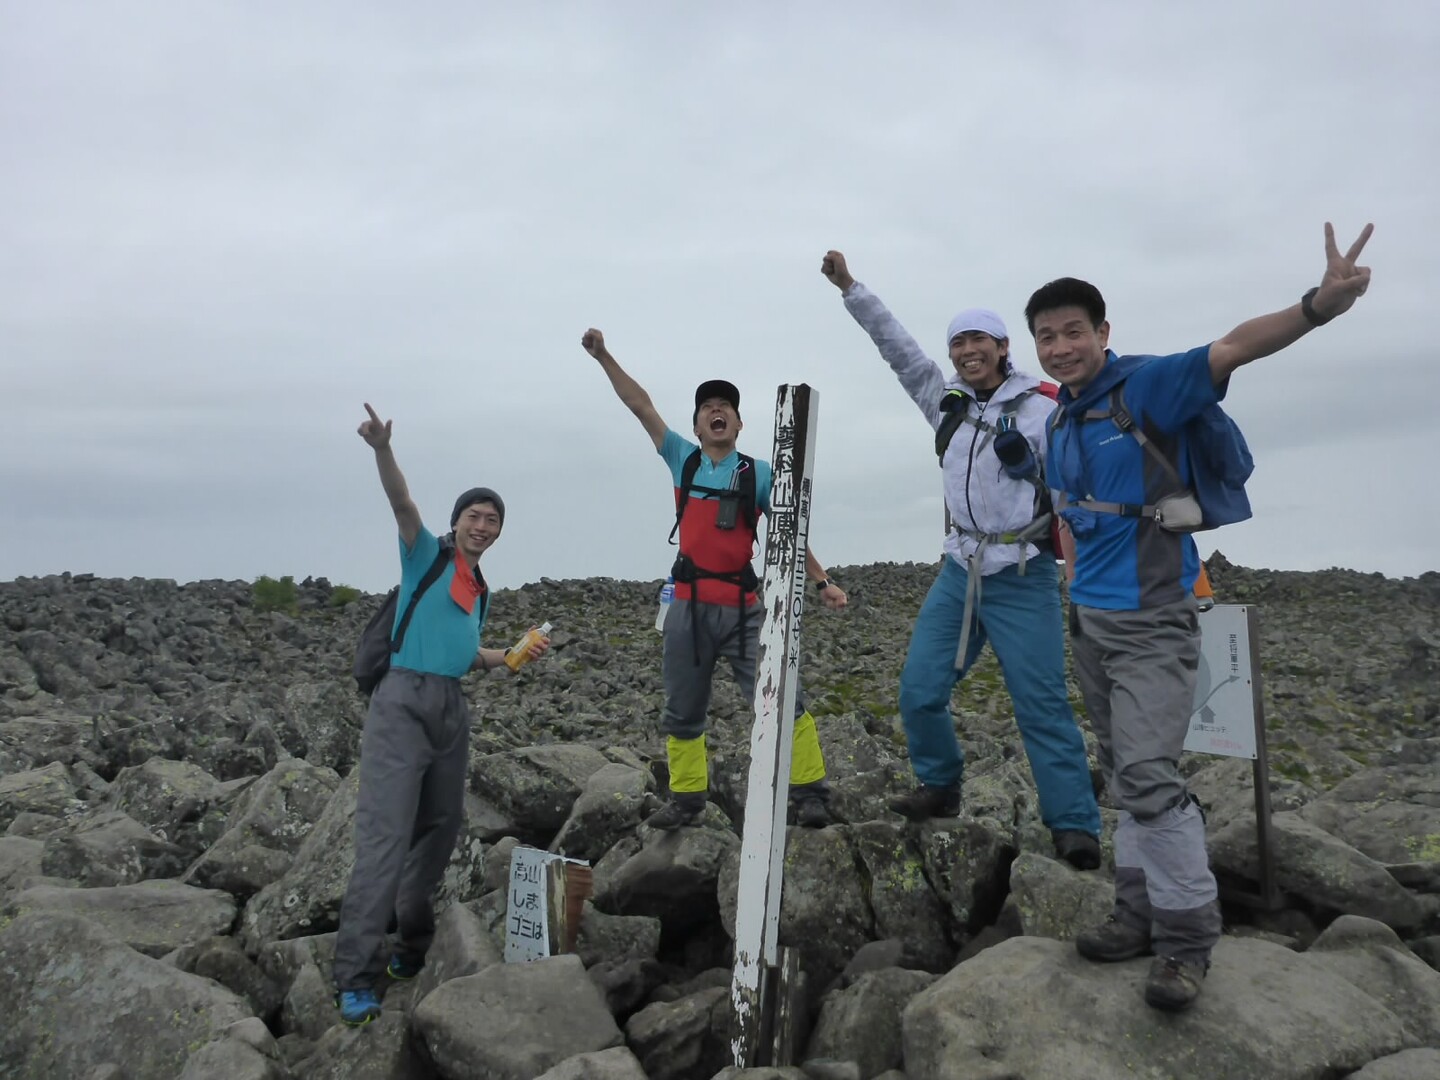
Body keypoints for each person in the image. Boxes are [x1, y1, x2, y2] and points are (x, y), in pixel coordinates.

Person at [1027, 222, 1373, 1012]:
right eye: (1046, 337)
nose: (1060, 348)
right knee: (1125, 776)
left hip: (1154, 620)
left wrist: (1317, 306)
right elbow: (1073, 519)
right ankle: (1137, 913)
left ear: (1103, 332)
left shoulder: (1148, 386)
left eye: (1073, 331)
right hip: (1091, 622)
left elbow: (1233, 348)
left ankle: (1186, 941)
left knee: (1151, 777)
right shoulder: (1061, 419)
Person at [820, 250, 1102, 870]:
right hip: (959, 571)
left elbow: (1071, 498)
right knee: (919, 691)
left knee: (1041, 705)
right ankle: (940, 783)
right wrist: (851, 288)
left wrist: (1080, 579)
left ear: (1003, 347)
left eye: (979, 340)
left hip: (1023, 573)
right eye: (958, 343)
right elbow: (897, 348)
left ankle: (1075, 825)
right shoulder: (944, 402)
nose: (968, 351)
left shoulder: (1045, 410)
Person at [333, 403, 550, 1027]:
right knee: (385, 835)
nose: (482, 525)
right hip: (402, 701)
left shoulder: (480, 590)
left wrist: (507, 657)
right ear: (456, 522)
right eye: (473, 516)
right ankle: (355, 976)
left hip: (451, 705)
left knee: (441, 825)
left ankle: (411, 945)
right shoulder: (424, 554)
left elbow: (463, 652)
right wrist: (382, 449)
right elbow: (401, 502)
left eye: (492, 519)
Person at [581, 329, 848, 830]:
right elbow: (640, 405)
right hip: (686, 607)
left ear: (739, 423)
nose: (717, 411)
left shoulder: (760, 474)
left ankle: (811, 793)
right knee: (682, 709)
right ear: (697, 425)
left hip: (744, 609)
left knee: (780, 697)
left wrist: (821, 582)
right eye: (708, 407)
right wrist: (604, 357)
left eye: (726, 406)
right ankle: (687, 801)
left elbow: (790, 534)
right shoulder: (681, 457)